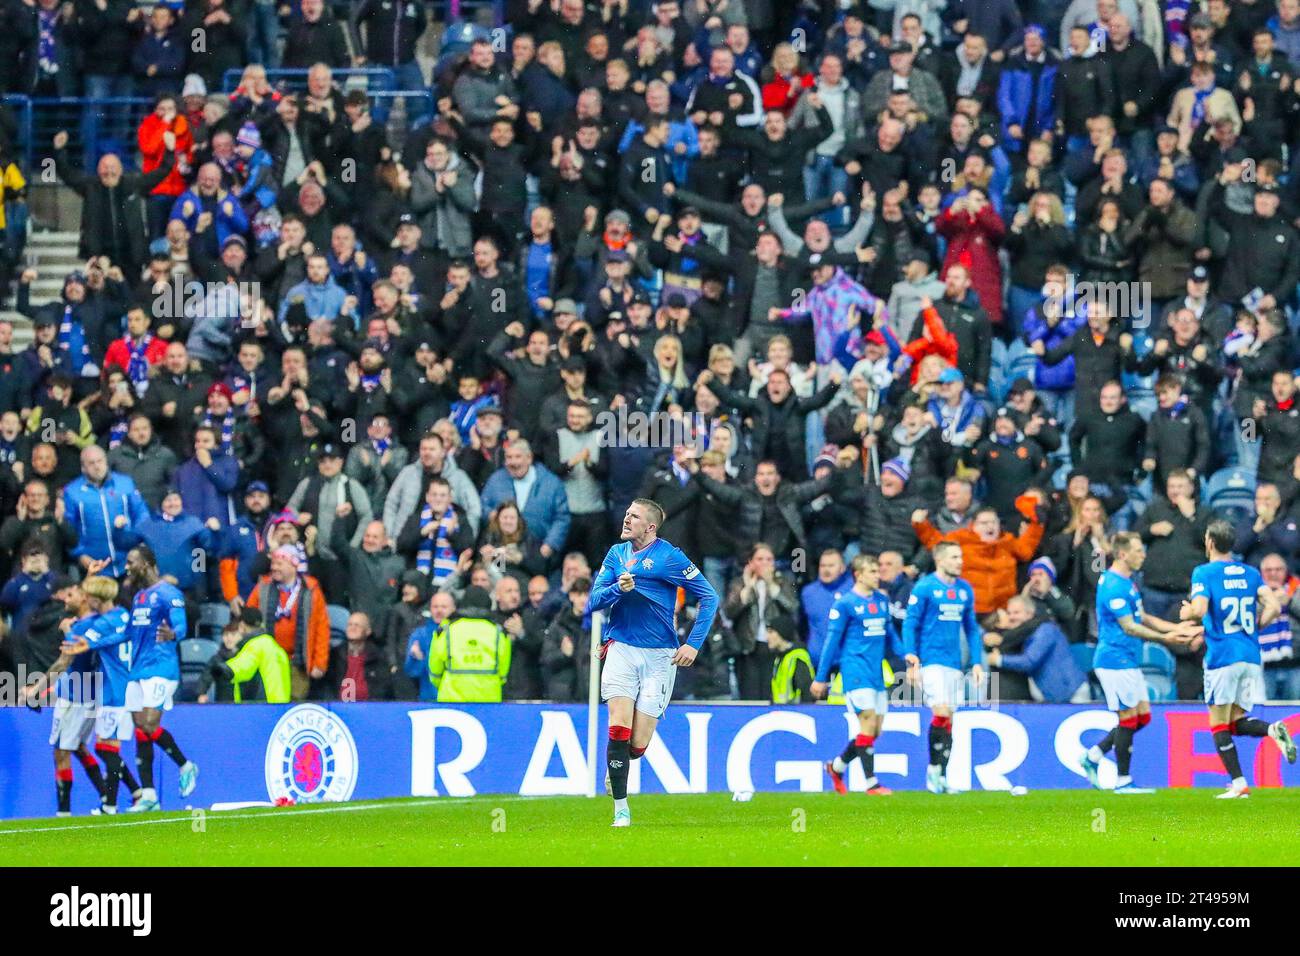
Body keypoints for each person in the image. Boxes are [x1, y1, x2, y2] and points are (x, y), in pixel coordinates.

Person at [589, 498, 719, 827]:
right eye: (626, 512)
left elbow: (709, 596)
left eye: (634, 516)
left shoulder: (669, 557)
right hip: (620, 647)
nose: (626, 518)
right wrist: (617, 589)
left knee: (637, 743)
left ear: (650, 527)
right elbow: (593, 601)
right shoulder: (615, 555)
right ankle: (621, 808)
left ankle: (619, 765)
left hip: (660, 655)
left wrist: (693, 643)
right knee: (618, 725)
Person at [68, 546, 196, 811]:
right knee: (141, 729)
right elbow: (126, 633)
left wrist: (174, 634)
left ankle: (186, 765)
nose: (127, 567)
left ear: (147, 563)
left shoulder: (168, 593)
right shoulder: (139, 597)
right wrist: (90, 645)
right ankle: (148, 794)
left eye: (131, 562)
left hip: (161, 667)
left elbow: (181, 624)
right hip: (137, 671)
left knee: (149, 723)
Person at [1178, 521, 1297, 798]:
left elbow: (1199, 609)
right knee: (1234, 722)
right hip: (1250, 656)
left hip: (1222, 656)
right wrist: (1256, 627)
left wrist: (1187, 614)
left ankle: (1239, 783)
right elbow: (1275, 605)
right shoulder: (1251, 573)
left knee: (1218, 723)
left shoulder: (1203, 572)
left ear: (1209, 542)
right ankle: (1272, 729)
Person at [1080, 532, 1197, 794]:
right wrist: (1168, 638)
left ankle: (1093, 756)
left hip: (1127, 660)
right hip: (1114, 661)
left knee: (1142, 717)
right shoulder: (1112, 586)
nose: (1143, 555)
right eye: (1138, 551)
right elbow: (1130, 628)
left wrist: (1177, 628)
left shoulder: (1128, 583)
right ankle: (1123, 781)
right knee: (1128, 718)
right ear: (1123, 554)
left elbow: (1142, 617)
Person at [902, 540, 984, 795]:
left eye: (960, 556)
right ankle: (933, 772)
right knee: (942, 712)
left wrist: (977, 662)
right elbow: (910, 623)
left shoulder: (964, 590)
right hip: (931, 660)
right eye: (954, 557)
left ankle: (941, 775)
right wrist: (911, 657)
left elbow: (971, 628)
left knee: (950, 719)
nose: (960, 561)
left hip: (954, 663)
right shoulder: (925, 587)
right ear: (940, 560)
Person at [812, 554, 898, 796]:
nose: (877, 575)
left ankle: (836, 767)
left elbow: (891, 635)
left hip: (876, 673)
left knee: (874, 730)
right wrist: (821, 677)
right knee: (868, 721)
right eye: (872, 571)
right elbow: (831, 642)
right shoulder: (845, 604)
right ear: (858, 575)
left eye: (877, 570)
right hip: (855, 670)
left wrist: (909, 656)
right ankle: (872, 784)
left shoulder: (882, 600)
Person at [426, 585, 510, 703]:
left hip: (452, 698)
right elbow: (503, 672)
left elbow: (435, 669)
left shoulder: (446, 629)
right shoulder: (498, 632)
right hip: (489, 699)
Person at [201, 606, 292, 704]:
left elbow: (243, 666)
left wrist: (224, 669)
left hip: (264, 708)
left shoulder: (255, 645)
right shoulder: (275, 647)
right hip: (282, 708)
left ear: (242, 626)